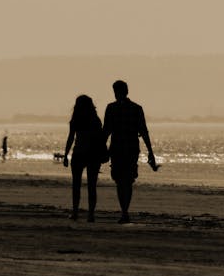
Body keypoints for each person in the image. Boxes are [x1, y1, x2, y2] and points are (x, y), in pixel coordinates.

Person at [103, 80, 158, 224]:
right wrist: (150, 152)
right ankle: (124, 211)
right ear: (127, 91)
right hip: (131, 149)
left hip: (117, 149)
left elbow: (106, 132)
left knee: (121, 181)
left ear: (116, 92)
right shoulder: (136, 109)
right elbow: (144, 132)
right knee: (127, 181)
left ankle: (124, 211)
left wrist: (101, 150)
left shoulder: (111, 108)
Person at [63, 95, 106, 222]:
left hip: (79, 154)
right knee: (92, 186)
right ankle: (91, 215)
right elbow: (100, 139)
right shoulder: (96, 120)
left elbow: (71, 138)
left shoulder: (75, 120)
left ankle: (75, 212)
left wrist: (65, 155)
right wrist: (104, 153)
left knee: (76, 185)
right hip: (93, 155)